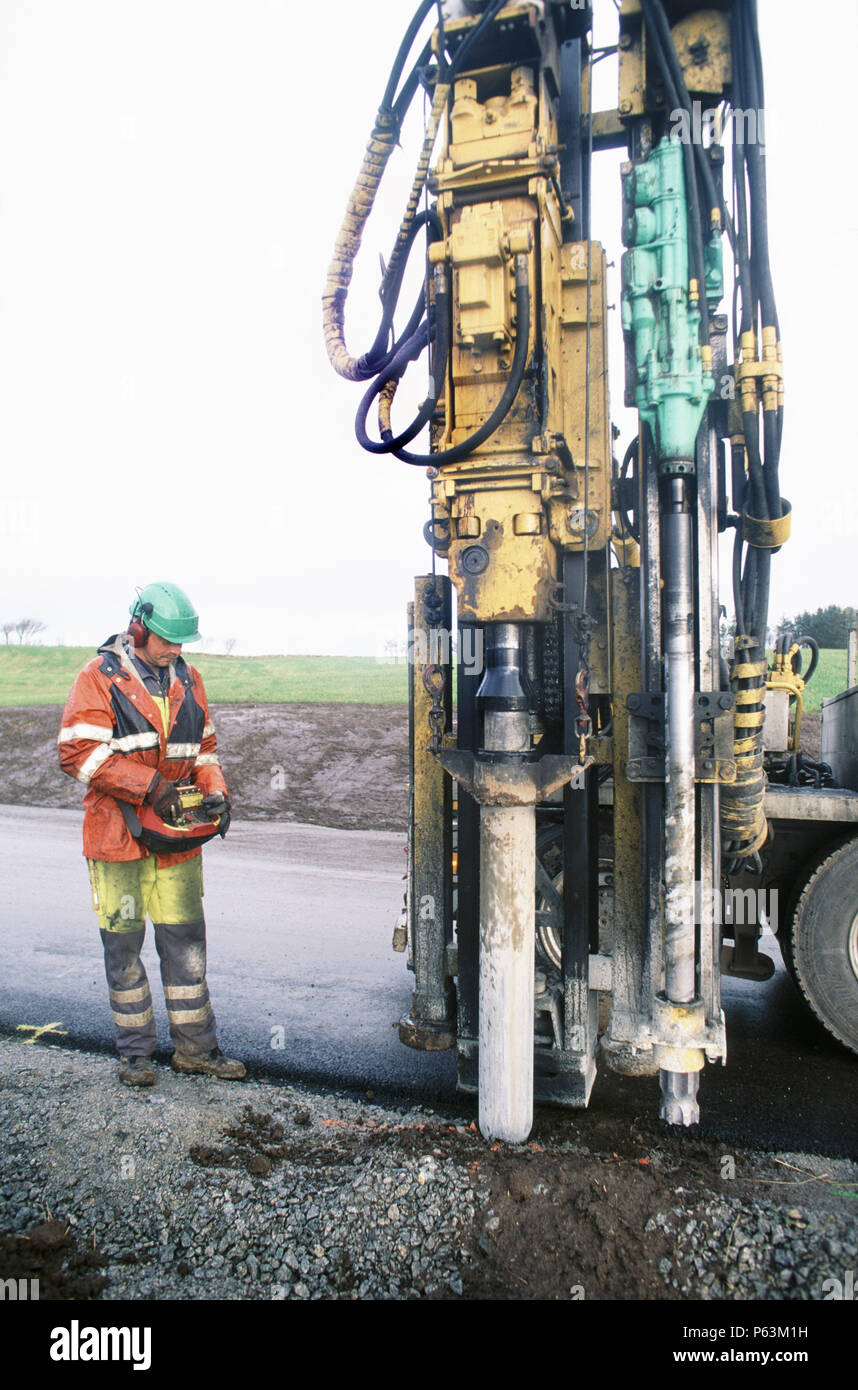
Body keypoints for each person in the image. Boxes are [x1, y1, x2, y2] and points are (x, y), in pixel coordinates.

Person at [58, 581, 246, 1087]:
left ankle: (197, 1051)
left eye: (183, 642)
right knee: (123, 948)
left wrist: (216, 793)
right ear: (139, 628)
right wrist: (150, 785)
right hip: (117, 838)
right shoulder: (98, 678)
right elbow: (78, 754)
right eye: (167, 640)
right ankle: (135, 1054)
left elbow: (204, 750)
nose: (175, 651)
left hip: (176, 840)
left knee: (186, 943)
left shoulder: (189, 677)